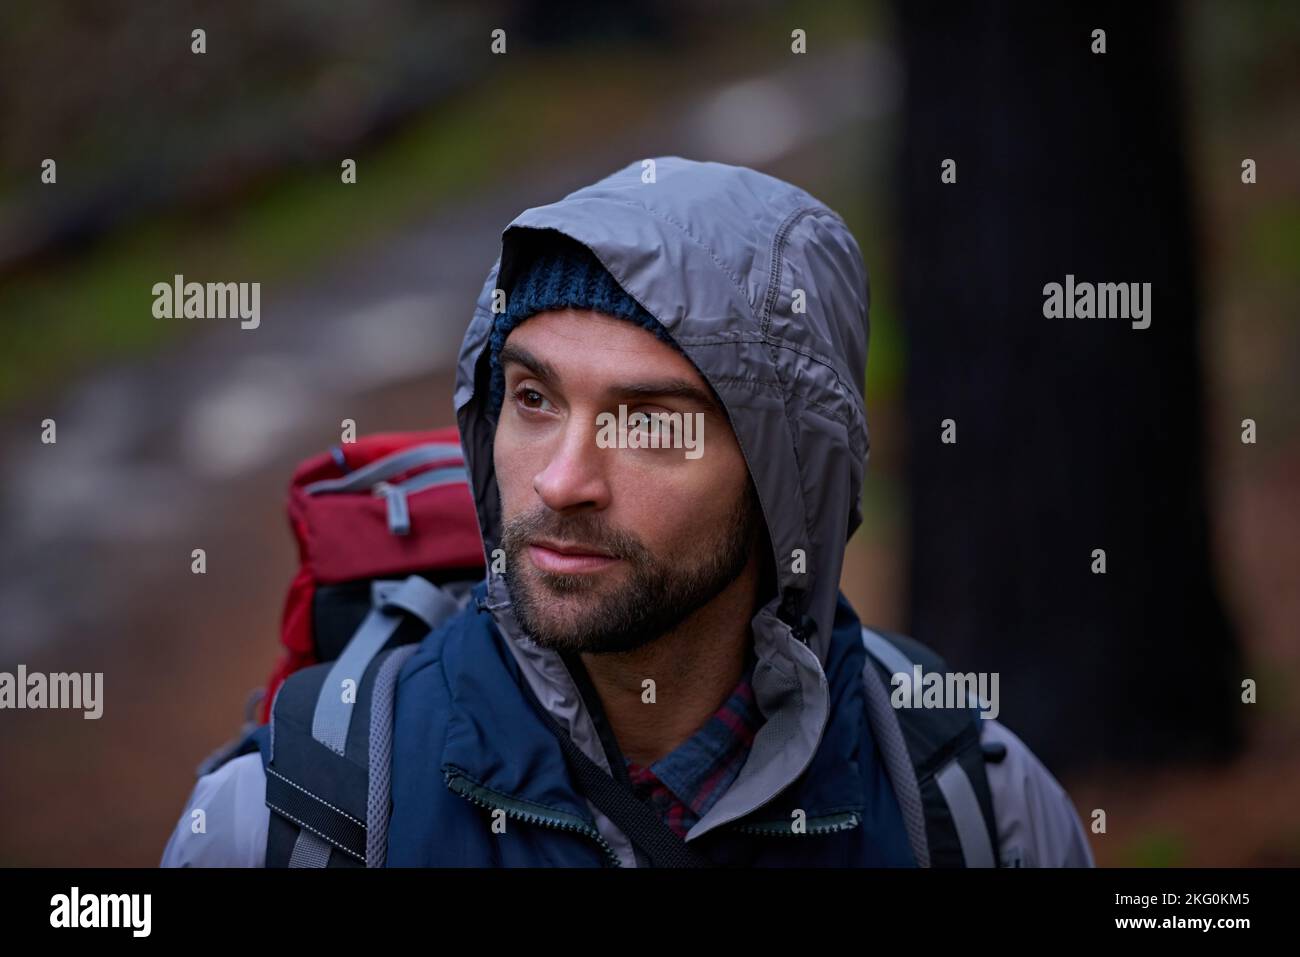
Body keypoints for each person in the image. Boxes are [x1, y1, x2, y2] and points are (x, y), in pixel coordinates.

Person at [162, 156, 1093, 867]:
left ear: (787, 477)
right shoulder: (288, 819)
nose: (563, 480)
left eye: (648, 421)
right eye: (533, 398)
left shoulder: (972, 808)